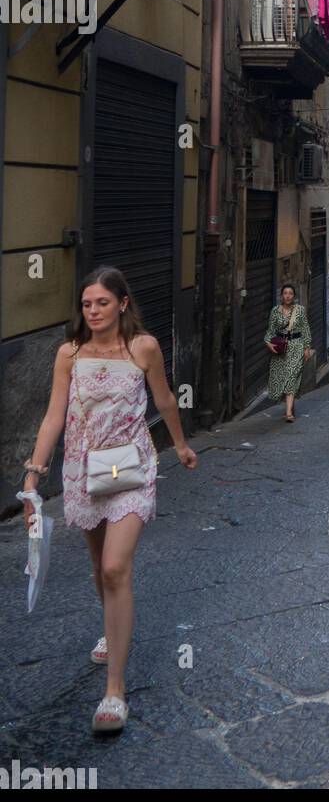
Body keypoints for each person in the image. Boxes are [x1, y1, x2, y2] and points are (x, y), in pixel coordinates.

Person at [21, 267, 197, 735]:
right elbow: (53, 416)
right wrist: (33, 477)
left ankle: (114, 691)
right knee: (100, 569)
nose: (93, 311)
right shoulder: (69, 354)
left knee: (117, 567)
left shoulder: (144, 347)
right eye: (86, 304)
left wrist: (179, 445)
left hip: (132, 468)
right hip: (83, 470)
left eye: (102, 302)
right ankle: (111, 625)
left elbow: (164, 401)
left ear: (122, 303)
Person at [264, 283, 313, 423]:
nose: (288, 296)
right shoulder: (275, 311)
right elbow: (270, 330)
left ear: (294, 296)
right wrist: (268, 343)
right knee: (282, 378)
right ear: (281, 296)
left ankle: (289, 412)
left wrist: (307, 347)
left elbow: (305, 328)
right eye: (285, 293)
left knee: (292, 376)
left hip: (296, 346)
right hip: (281, 348)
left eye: (290, 293)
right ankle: (290, 405)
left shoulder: (300, 310)